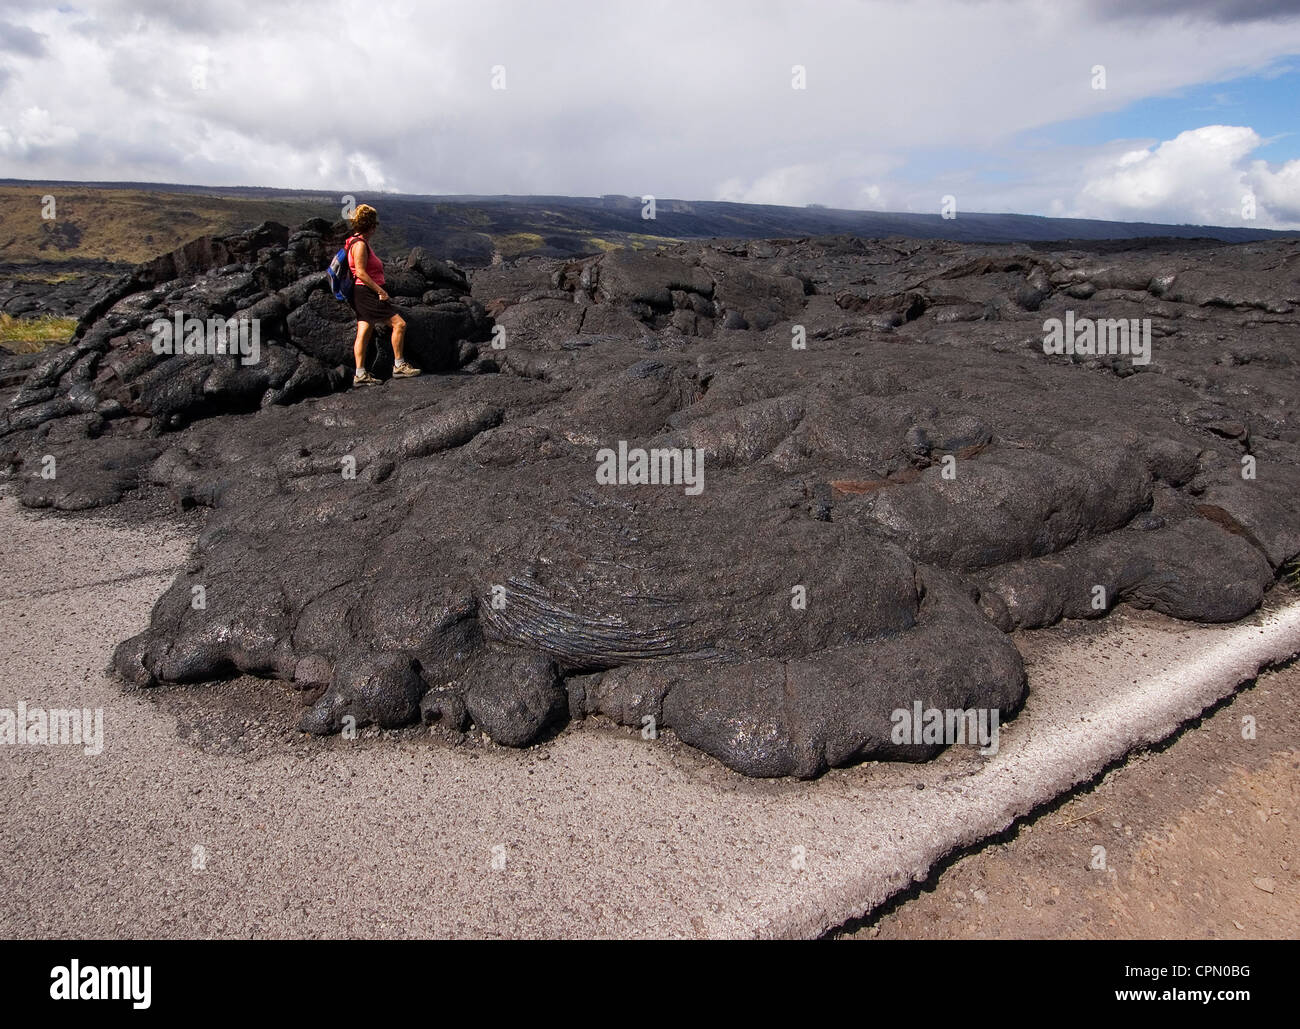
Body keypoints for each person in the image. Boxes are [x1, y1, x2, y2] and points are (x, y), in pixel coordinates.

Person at [345, 204, 420, 384]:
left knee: (364, 331)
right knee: (399, 324)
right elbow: (361, 272)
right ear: (370, 225)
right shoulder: (361, 245)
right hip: (367, 292)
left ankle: (360, 374)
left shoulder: (352, 240)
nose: (376, 227)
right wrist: (380, 291)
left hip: (359, 292)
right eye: (375, 224)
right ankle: (399, 365)